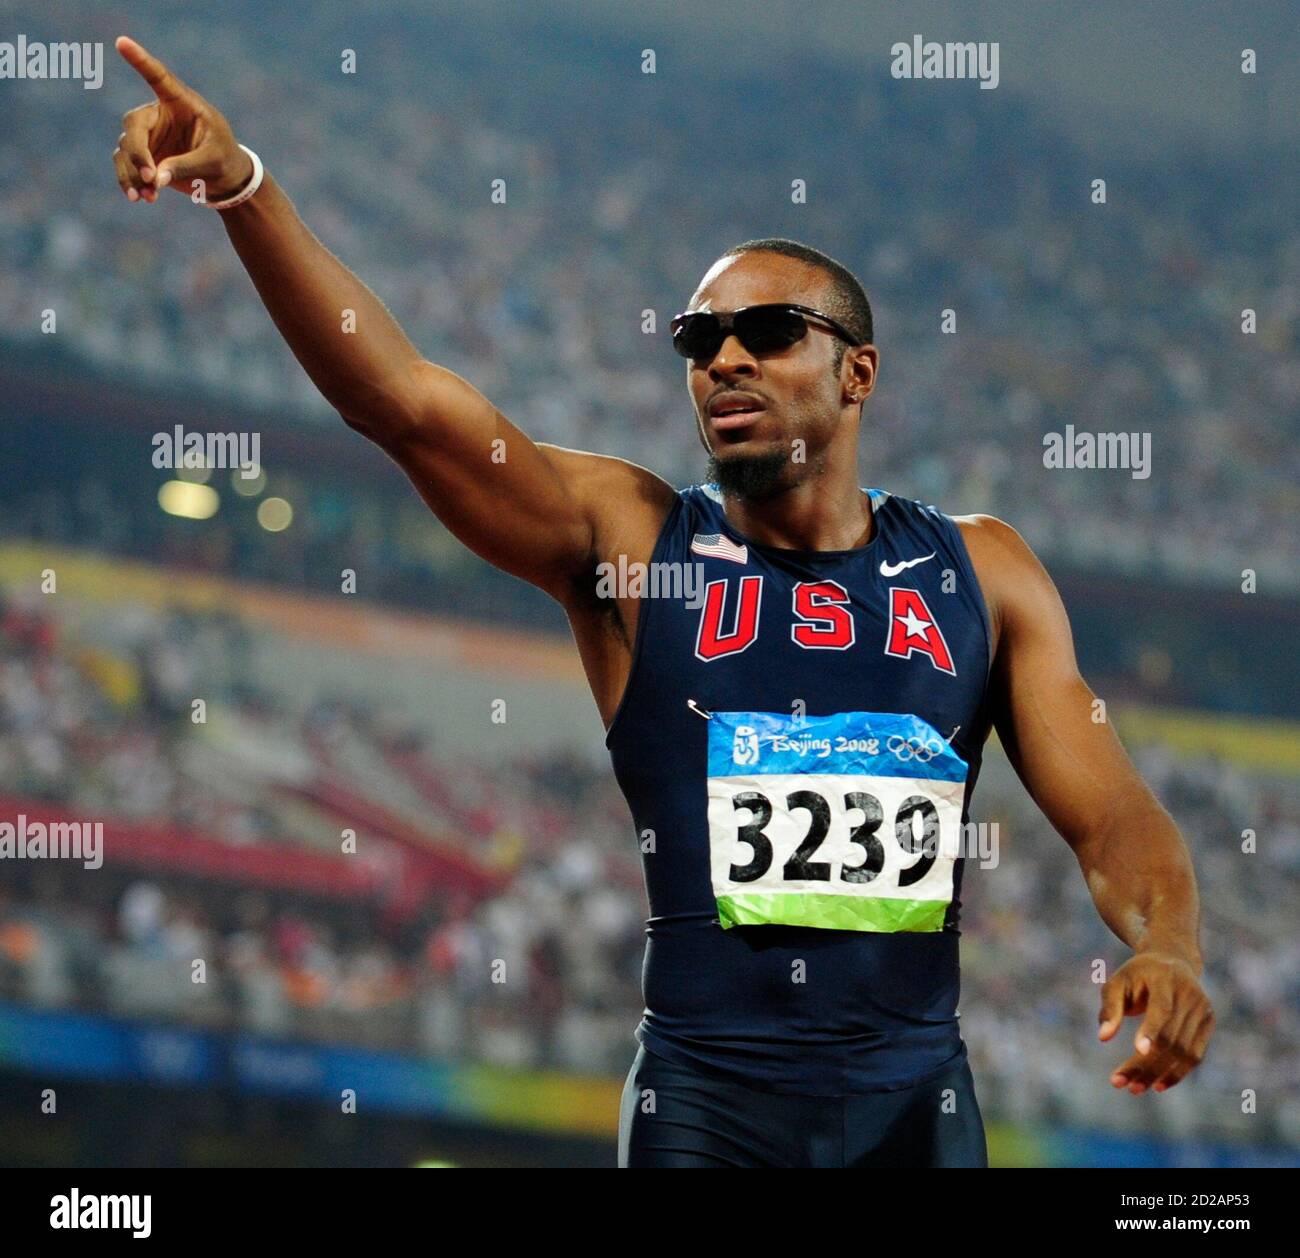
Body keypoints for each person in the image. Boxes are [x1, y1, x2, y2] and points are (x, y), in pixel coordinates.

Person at [110, 35, 1216, 1168]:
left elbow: (1115, 814)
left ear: (858, 372)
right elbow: (403, 403)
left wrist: (1168, 943)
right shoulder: (631, 538)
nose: (724, 357)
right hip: (705, 1104)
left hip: (914, 1107)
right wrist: (244, 189)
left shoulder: (982, 572)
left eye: (769, 331)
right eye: (699, 339)